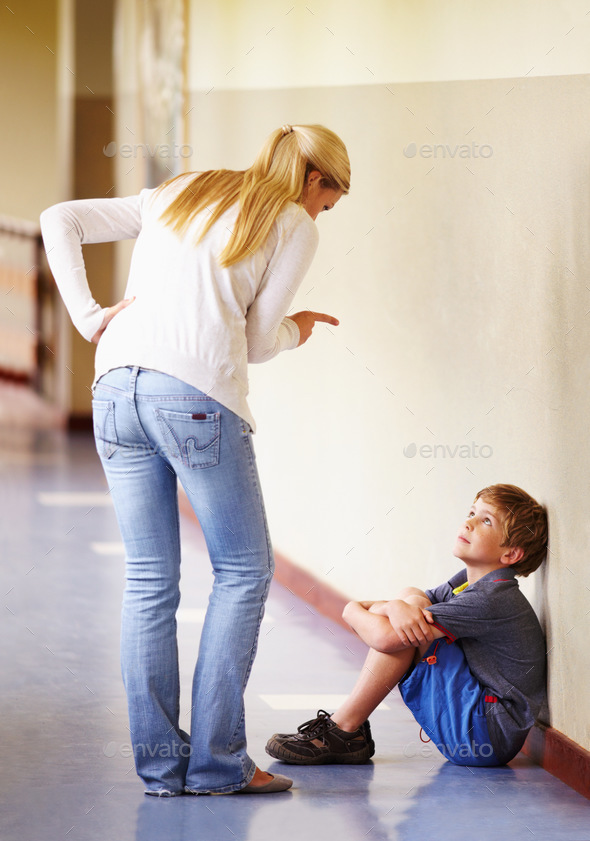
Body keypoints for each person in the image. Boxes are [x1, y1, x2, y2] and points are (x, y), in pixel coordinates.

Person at [40, 124, 350, 796]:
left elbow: (57, 218)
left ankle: (160, 768)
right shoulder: (293, 220)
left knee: (150, 580)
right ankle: (218, 764)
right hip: (195, 395)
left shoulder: (178, 191)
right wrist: (302, 328)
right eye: (331, 199)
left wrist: (89, 315)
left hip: (115, 383)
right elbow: (261, 339)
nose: (324, 212)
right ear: (316, 181)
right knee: (244, 569)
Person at [266, 483, 548, 768]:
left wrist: (352, 609)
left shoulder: (493, 598)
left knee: (408, 620)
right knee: (411, 599)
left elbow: (387, 638)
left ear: (510, 555)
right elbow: (406, 610)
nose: (468, 522)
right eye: (472, 512)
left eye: (486, 521)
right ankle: (347, 730)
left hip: (484, 735)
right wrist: (392, 606)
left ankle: (344, 729)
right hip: (479, 723)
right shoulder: (468, 581)